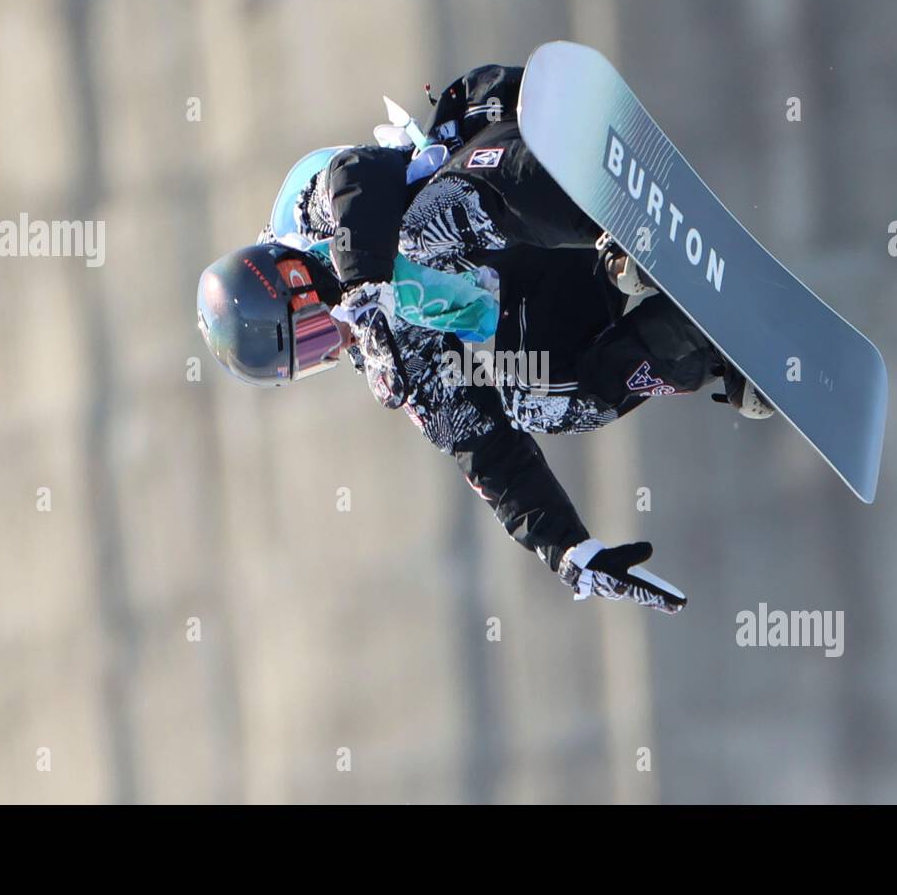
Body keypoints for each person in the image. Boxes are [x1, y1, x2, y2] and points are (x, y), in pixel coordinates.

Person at [196, 64, 772, 615]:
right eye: (320, 355)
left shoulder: (307, 216)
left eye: (317, 330)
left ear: (290, 277)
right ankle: (698, 341)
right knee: (535, 400)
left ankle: (613, 218)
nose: (337, 342)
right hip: (547, 275)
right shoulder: (386, 346)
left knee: (424, 231)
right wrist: (569, 550)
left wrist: (363, 286)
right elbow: (479, 443)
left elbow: (358, 175)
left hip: (511, 159)